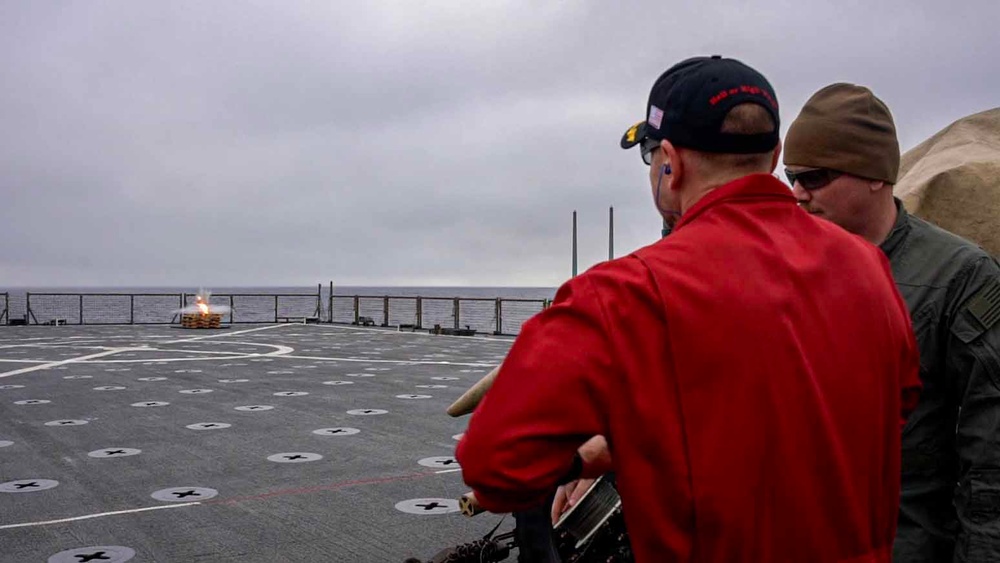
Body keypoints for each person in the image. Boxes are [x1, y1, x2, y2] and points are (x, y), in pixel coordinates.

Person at [456, 56, 922, 563]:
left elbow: (495, 465)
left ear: (671, 163)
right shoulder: (871, 268)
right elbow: (889, 409)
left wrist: (610, 450)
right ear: (774, 154)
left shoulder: (622, 294)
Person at [784, 83, 1000, 563]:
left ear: (874, 175)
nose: (798, 193)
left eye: (815, 177)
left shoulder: (959, 279)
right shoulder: (783, 272)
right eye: (791, 176)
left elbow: (991, 457)